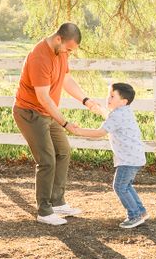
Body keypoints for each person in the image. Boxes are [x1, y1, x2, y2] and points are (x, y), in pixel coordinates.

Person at [13, 23, 101, 225]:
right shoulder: (39, 57)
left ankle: (57, 201)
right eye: (68, 49)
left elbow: (66, 79)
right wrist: (66, 123)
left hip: (47, 112)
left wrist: (86, 100)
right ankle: (44, 211)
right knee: (47, 160)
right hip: (30, 113)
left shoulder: (61, 52)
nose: (68, 53)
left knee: (63, 151)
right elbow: (43, 97)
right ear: (58, 39)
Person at [69, 82, 149, 229]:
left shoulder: (117, 115)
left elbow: (100, 133)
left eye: (112, 96)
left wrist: (78, 131)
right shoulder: (125, 111)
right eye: (108, 95)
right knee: (126, 185)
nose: (108, 98)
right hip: (134, 157)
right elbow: (109, 116)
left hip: (127, 159)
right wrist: (99, 109)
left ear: (123, 101)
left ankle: (134, 215)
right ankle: (141, 211)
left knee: (119, 186)